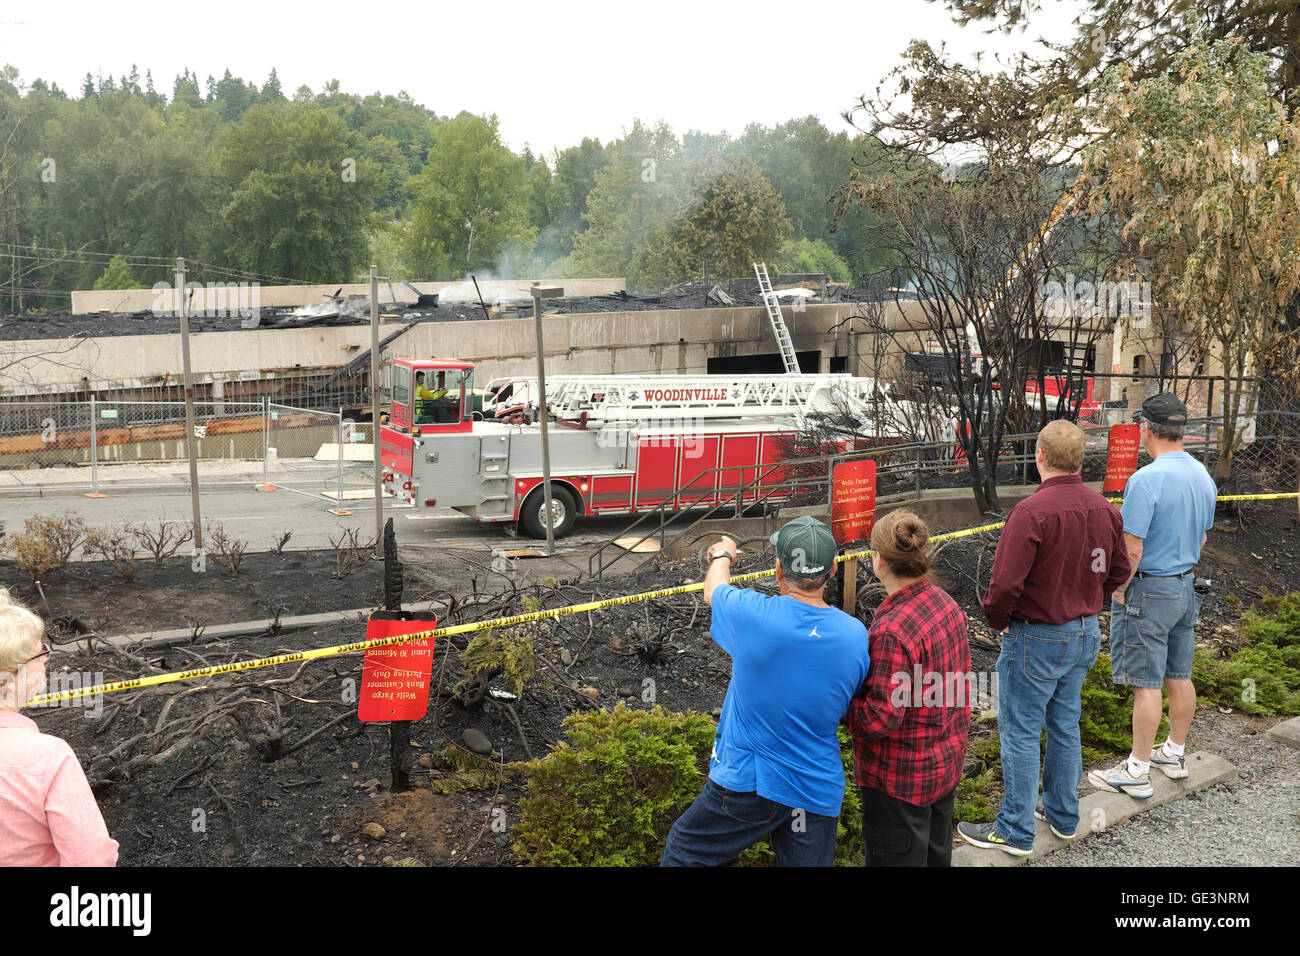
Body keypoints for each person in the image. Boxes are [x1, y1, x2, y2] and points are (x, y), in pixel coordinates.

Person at [957, 420, 1130, 856]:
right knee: (1064, 722)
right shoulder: (1106, 509)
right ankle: (1062, 814)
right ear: (1080, 458)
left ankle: (1014, 829)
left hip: (1037, 636)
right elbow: (1121, 571)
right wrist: (1091, 599)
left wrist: (998, 620)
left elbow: (1005, 584)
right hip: (1085, 632)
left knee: (1019, 729)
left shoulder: (1031, 512)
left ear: (1039, 456)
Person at [661, 517, 870, 867]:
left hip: (749, 784)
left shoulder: (750, 614)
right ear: (834, 569)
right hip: (813, 790)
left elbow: (713, 591)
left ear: (778, 569)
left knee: (685, 851)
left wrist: (722, 555)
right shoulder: (855, 635)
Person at [1089, 393, 1216, 799]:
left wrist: (1119, 590)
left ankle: (1137, 769)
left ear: (1146, 428)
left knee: (1145, 683)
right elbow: (1202, 537)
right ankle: (1174, 754)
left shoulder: (1145, 480)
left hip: (1149, 588)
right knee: (1180, 675)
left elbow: (1132, 548)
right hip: (1185, 585)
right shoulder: (1202, 475)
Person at [847, 509, 970, 867]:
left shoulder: (891, 631)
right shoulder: (946, 604)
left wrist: (837, 701)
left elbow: (878, 719)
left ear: (878, 561)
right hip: (943, 766)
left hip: (899, 782)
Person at [0, 588, 119, 866]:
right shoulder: (47, 758)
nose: (46, 657)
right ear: (9, 678)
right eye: (39, 651)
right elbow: (92, 860)